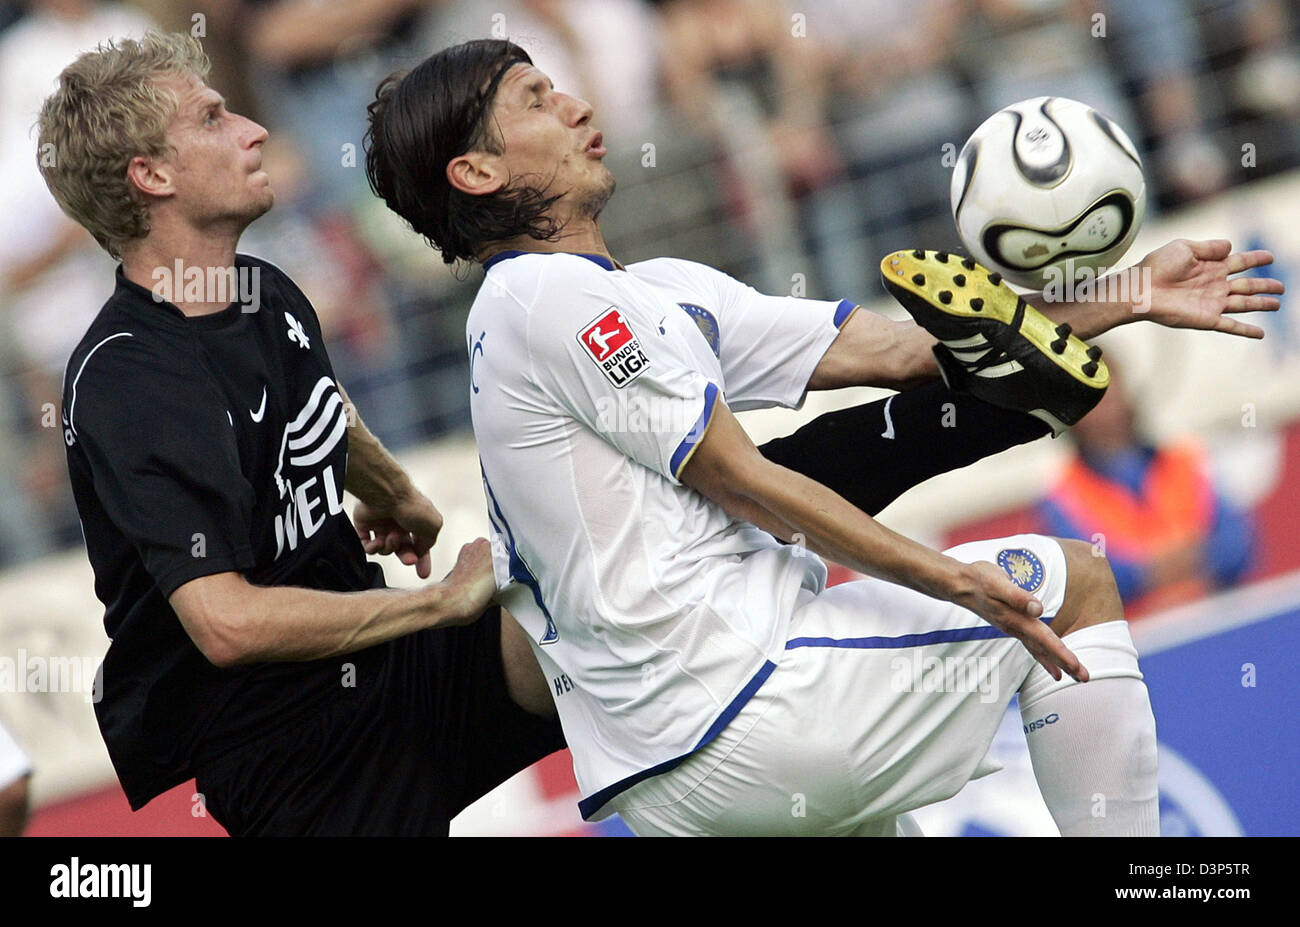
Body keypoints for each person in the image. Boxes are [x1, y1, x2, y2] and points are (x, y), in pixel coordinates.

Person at [363, 38, 1283, 835]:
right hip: (745, 701)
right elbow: (744, 481)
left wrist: (1128, 293)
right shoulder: (544, 296)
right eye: (535, 100)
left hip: (673, 763)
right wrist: (950, 578)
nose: (579, 105)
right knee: (1074, 584)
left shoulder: (642, 292)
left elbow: (906, 350)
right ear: (476, 173)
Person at [38, 32, 563, 836]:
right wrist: (437, 604)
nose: (253, 130)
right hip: (290, 754)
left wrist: (397, 494)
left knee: (582, 606)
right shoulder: (125, 378)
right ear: (153, 175)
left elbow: (321, 408)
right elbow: (226, 624)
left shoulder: (260, 289)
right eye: (214, 119)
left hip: (390, 670)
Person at [1040, 365, 1256, 616]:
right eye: (1090, 398)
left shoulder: (1183, 460)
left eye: (1108, 389)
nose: (1106, 404)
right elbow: (1088, 583)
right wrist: (1154, 570)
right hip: (1135, 640)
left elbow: (1238, 546)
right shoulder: (1063, 495)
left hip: (1216, 618)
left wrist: (1188, 561)